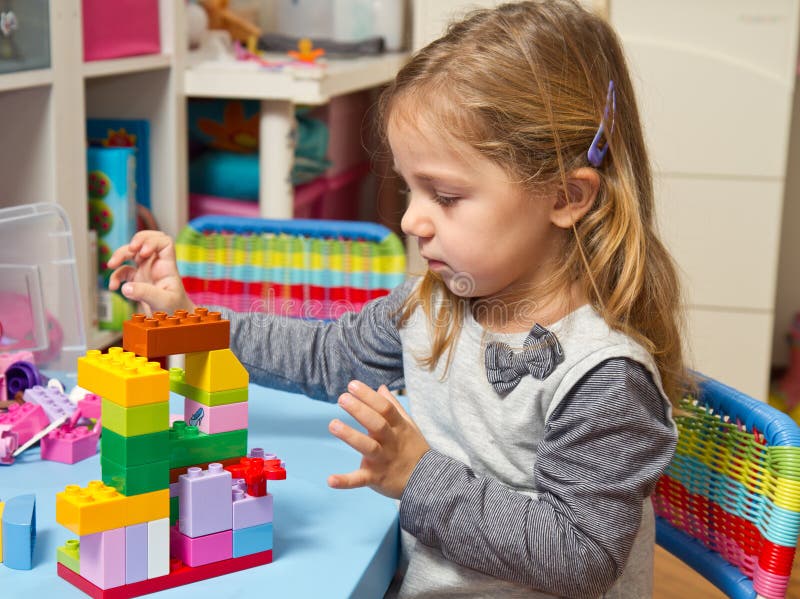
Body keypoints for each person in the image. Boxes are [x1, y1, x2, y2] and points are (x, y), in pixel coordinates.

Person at [108, 1, 687, 596]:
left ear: (567, 196)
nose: (412, 220)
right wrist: (192, 321)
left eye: (446, 196)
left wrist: (417, 476)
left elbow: (580, 554)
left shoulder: (605, 378)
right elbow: (323, 355)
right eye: (411, 189)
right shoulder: (430, 306)